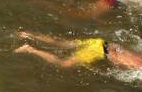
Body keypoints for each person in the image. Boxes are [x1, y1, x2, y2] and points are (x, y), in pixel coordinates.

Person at [13, 30, 142, 70]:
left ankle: (28, 34)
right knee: (64, 63)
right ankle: (30, 49)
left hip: (99, 42)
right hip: (97, 52)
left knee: (60, 43)